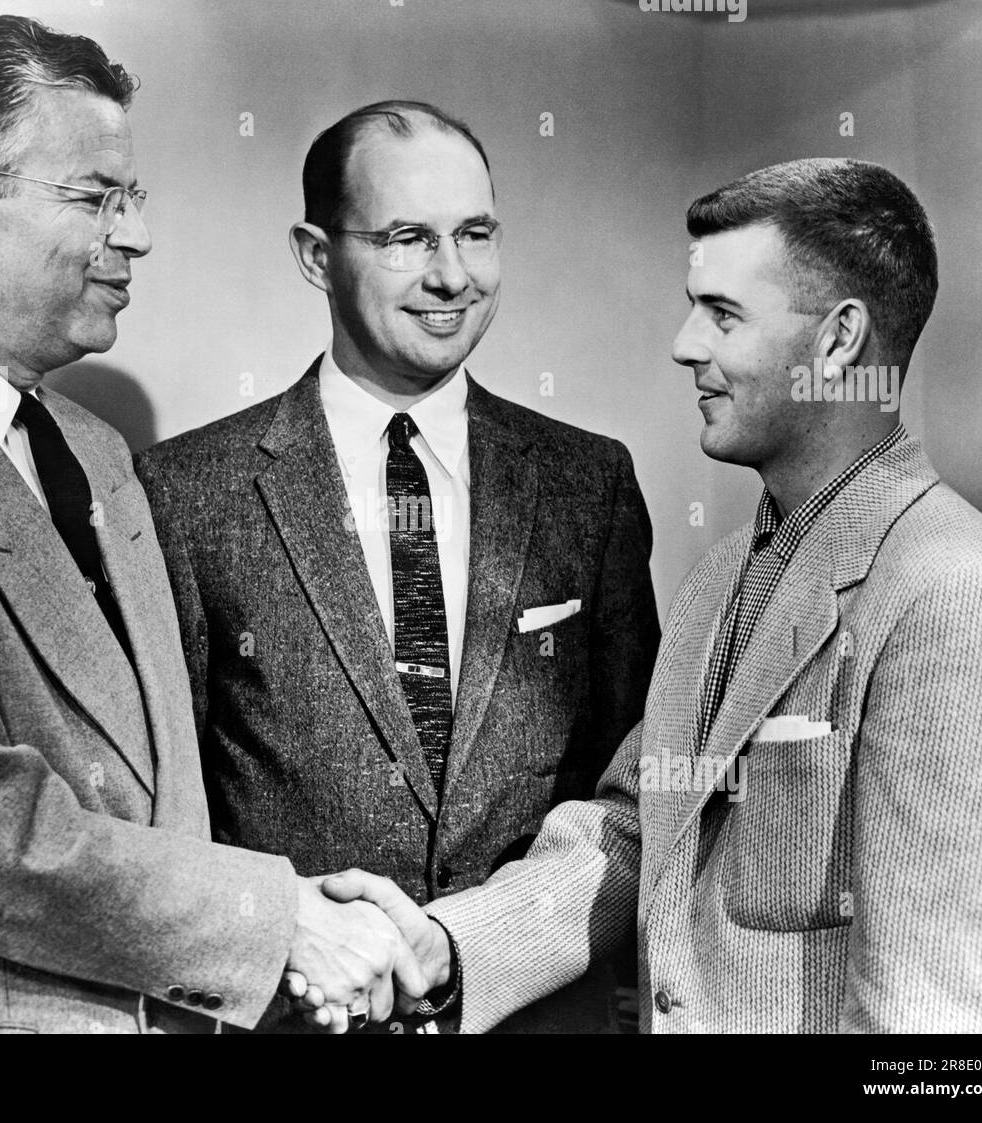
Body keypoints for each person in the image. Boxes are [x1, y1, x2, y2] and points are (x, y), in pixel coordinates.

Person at [0, 16, 421, 1036]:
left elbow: (162, 792)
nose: (137, 233)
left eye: (133, 197)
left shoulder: (97, 449)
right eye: (95, 198)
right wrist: (274, 916)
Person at [302, 158, 982, 1033]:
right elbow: (635, 827)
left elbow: (949, 1041)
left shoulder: (963, 599)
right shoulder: (722, 574)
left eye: (723, 314)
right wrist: (444, 946)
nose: (684, 343)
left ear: (840, 341)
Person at [135, 100, 660, 1032]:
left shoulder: (591, 482)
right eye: (408, 238)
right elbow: (167, 824)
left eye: (475, 234)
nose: (452, 275)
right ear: (314, 255)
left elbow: (640, 794)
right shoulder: (185, 493)